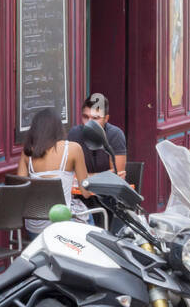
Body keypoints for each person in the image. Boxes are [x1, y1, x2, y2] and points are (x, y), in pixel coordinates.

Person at [17, 107, 90, 235]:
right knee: (89, 216)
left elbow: (20, 190)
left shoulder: (27, 153)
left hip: (34, 227)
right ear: (58, 127)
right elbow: (85, 192)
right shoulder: (73, 149)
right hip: (62, 224)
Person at [66, 93, 127, 175]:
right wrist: (101, 176)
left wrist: (85, 177)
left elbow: (118, 175)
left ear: (106, 119)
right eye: (85, 117)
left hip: (108, 187)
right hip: (80, 187)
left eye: (95, 118)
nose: (89, 123)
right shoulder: (74, 134)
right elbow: (68, 174)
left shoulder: (115, 135)